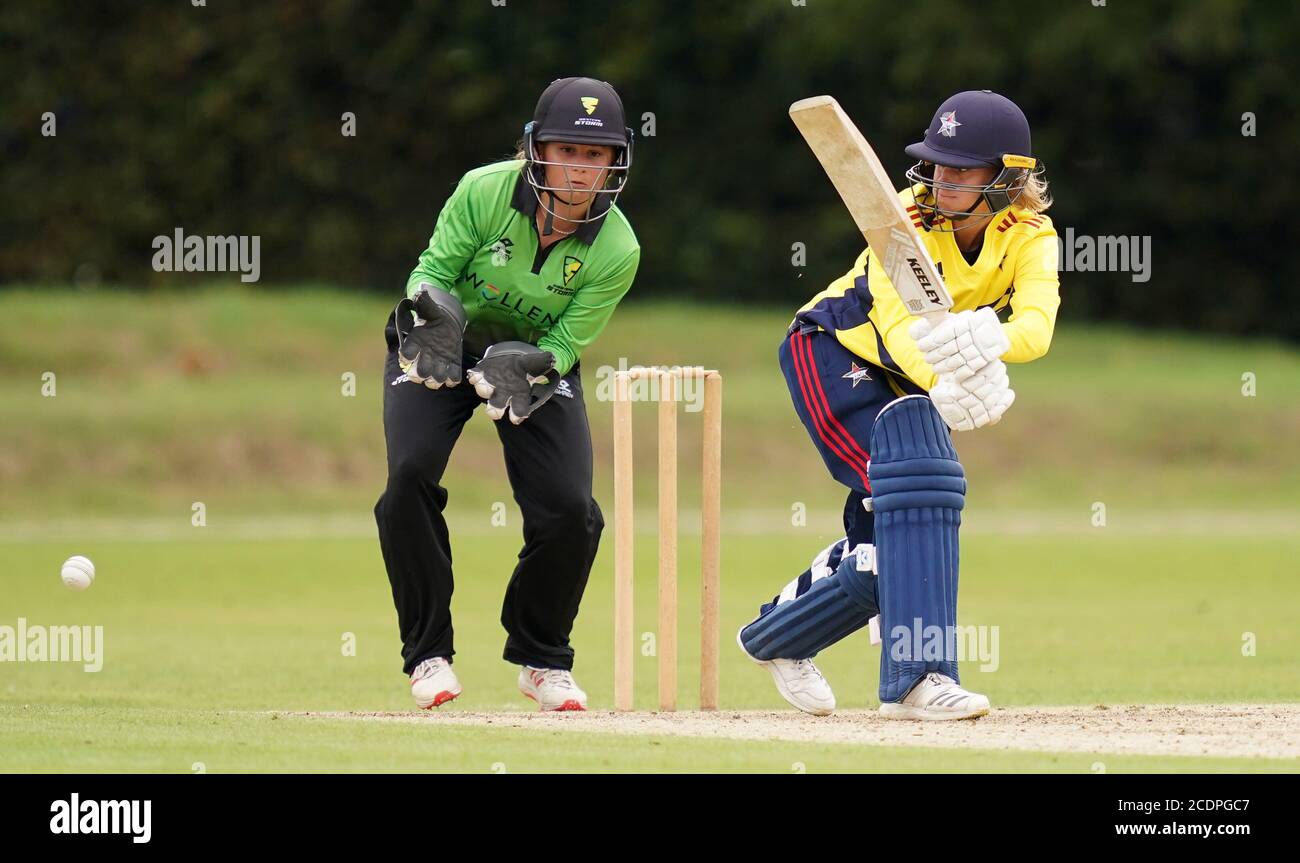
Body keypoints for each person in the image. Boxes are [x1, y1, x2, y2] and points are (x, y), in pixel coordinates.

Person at [737, 90, 1060, 720]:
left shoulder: (1031, 235)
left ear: (1007, 176)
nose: (941, 180)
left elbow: (1037, 326)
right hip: (833, 350)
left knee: (889, 533)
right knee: (917, 488)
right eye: (937, 164)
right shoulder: (901, 220)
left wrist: (991, 343)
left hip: (912, 375)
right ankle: (918, 679)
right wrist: (945, 384)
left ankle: (781, 632)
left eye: (960, 169)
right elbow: (899, 325)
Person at [374, 77, 639, 712]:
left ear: (615, 163)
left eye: (595, 156)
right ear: (534, 150)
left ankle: (542, 658)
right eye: (566, 151)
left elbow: (571, 337)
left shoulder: (618, 248)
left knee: (571, 510)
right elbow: (432, 271)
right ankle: (429, 655)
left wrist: (539, 362)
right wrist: (434, 316)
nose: (579, 170)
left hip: (534, 361)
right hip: (441, 341)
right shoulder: (484, 190)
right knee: (408, 478)